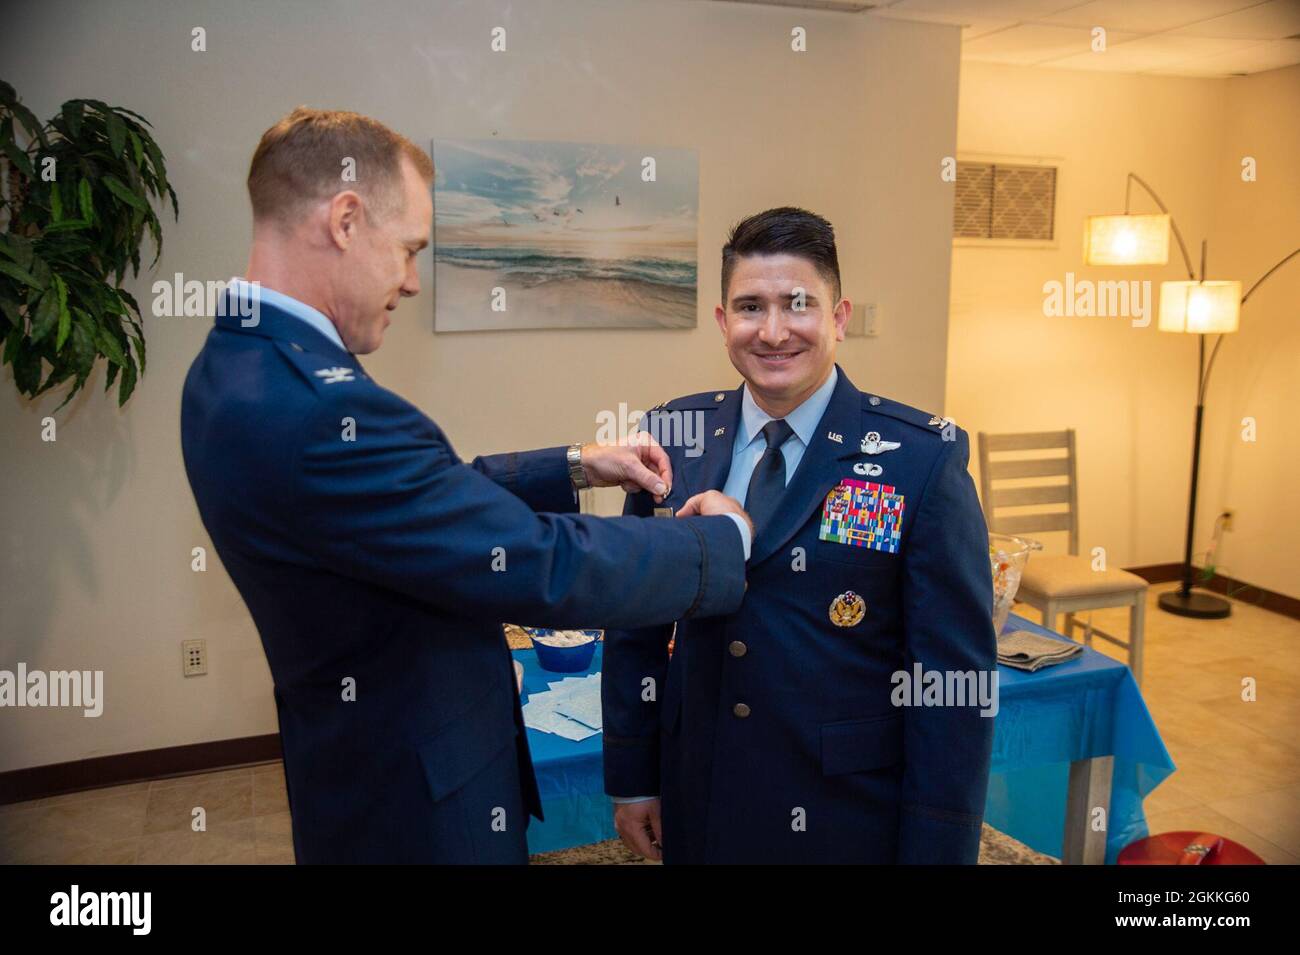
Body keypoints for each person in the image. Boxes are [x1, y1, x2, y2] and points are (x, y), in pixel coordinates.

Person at [180, 108, 751, 863]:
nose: (413, 282)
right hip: (415, 806)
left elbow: (423, 500)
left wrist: (578, 463)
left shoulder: (233, 367)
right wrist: (718, 542)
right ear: (346, 219)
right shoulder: (318, 406)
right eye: (410, 249)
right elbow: (540, 562)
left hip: (360, 767)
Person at [602, 207, 997, 864]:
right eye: (751, 306)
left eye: (799, 304)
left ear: (839, 317)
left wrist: (938, 847)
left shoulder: (919, 459)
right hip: (699, 797)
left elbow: (952, 683)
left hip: (844, 816)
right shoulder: (677, 436)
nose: (775, 330)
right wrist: (634, 776)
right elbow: (633, 625)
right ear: (724, 321)